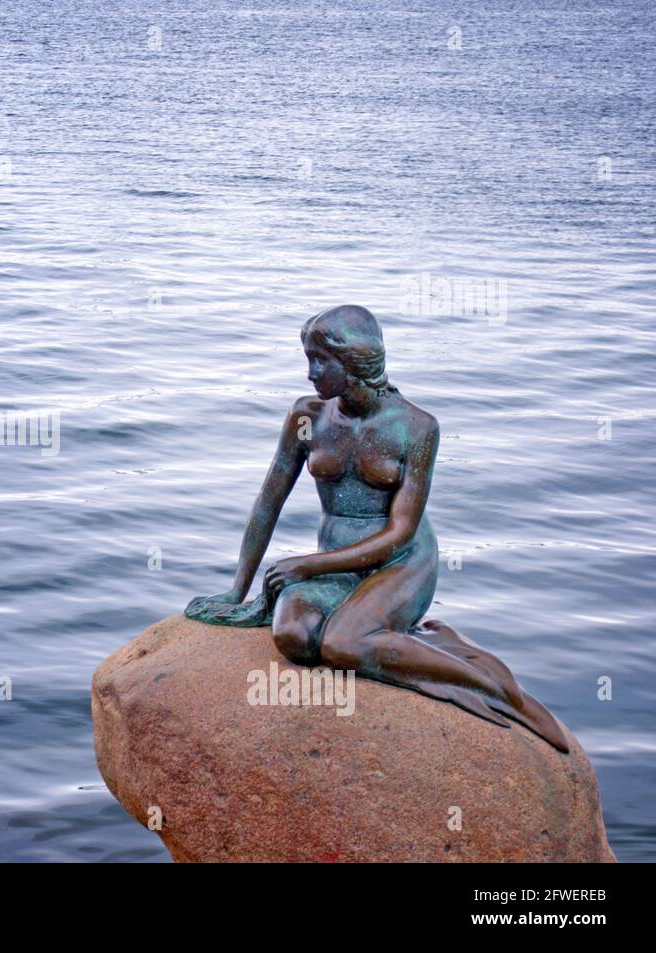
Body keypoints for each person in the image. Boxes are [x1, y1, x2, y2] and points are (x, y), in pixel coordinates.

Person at [186, 305, 569, 752]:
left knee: (344, 644)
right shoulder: (306, 417)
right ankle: (410, 637)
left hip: (401, 564)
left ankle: (496, 689)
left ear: (354, 364)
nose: (310, 373)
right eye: (307, 358)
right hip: (336, 566)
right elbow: (268, 502)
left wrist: (308, 566)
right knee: (293, 637)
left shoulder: (415, 426)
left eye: (319, 360)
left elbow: (400, 532)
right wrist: (237, 590)